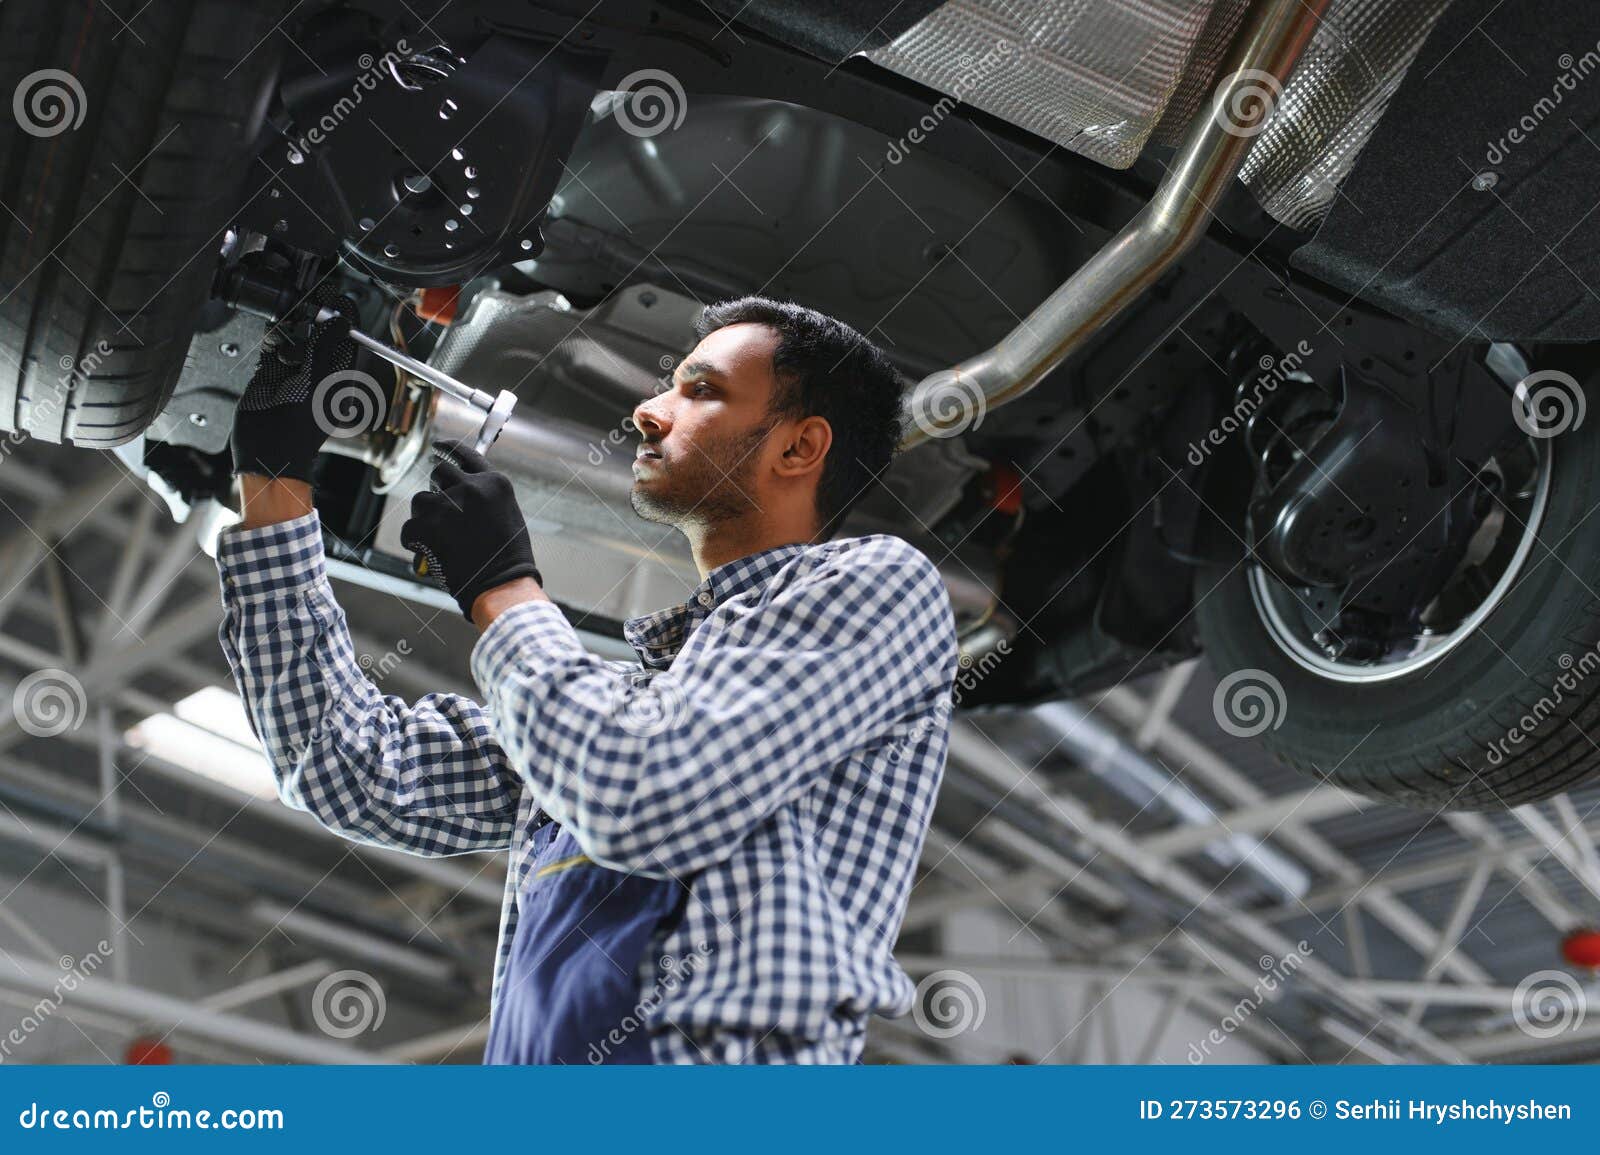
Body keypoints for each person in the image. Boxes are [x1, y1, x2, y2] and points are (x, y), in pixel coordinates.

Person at [215, 288, 959, 1063]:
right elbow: (352, 768)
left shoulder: (880, 583)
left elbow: (647, 794)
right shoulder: (614, 712)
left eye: (699, 390)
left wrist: (504, 591)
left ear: (799, 449)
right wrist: (273, 488)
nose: (648, 408)